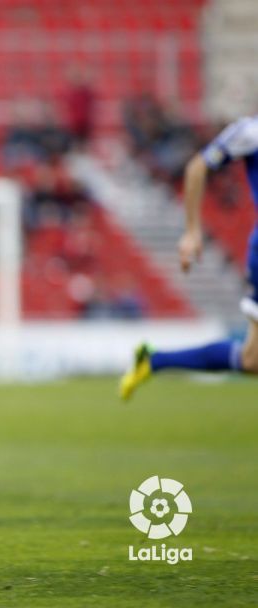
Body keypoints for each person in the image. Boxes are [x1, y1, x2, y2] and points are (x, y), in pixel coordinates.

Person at [120, 115, 258, 400]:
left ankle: (154, 361)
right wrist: (192, 231)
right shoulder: (250, 131)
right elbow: (197, 167)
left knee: (252, 361)